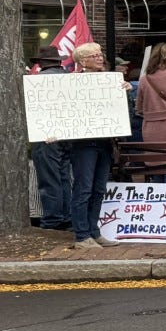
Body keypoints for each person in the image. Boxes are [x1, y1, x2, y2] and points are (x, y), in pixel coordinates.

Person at [58, 43, 118, 249]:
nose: (100, 58)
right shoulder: (73, 83)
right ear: (83, 62)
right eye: (95, 56)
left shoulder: (109, 81)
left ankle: (94, 231)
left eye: (101, 54)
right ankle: (82, 235)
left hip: (104, 141)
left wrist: (125, 89)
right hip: (83, 144)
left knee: (99, 188)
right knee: (83, 189)